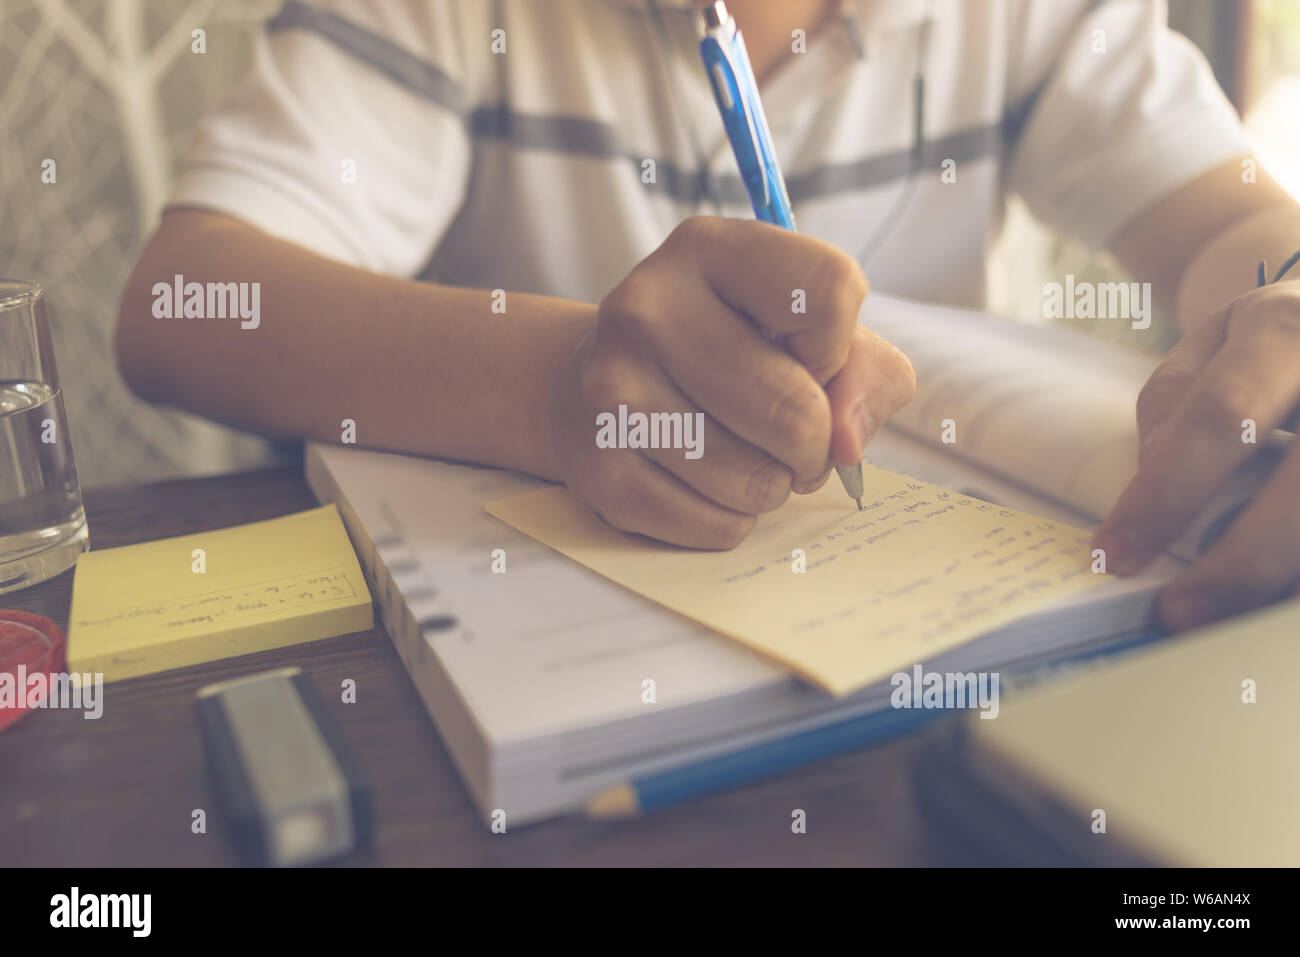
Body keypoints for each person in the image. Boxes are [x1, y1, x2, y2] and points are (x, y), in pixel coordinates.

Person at [116, 0, 1300, 632]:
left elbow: (1221, 229)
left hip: (923, 659)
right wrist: (550, 380)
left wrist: (1286, 292)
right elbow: (184, 303)